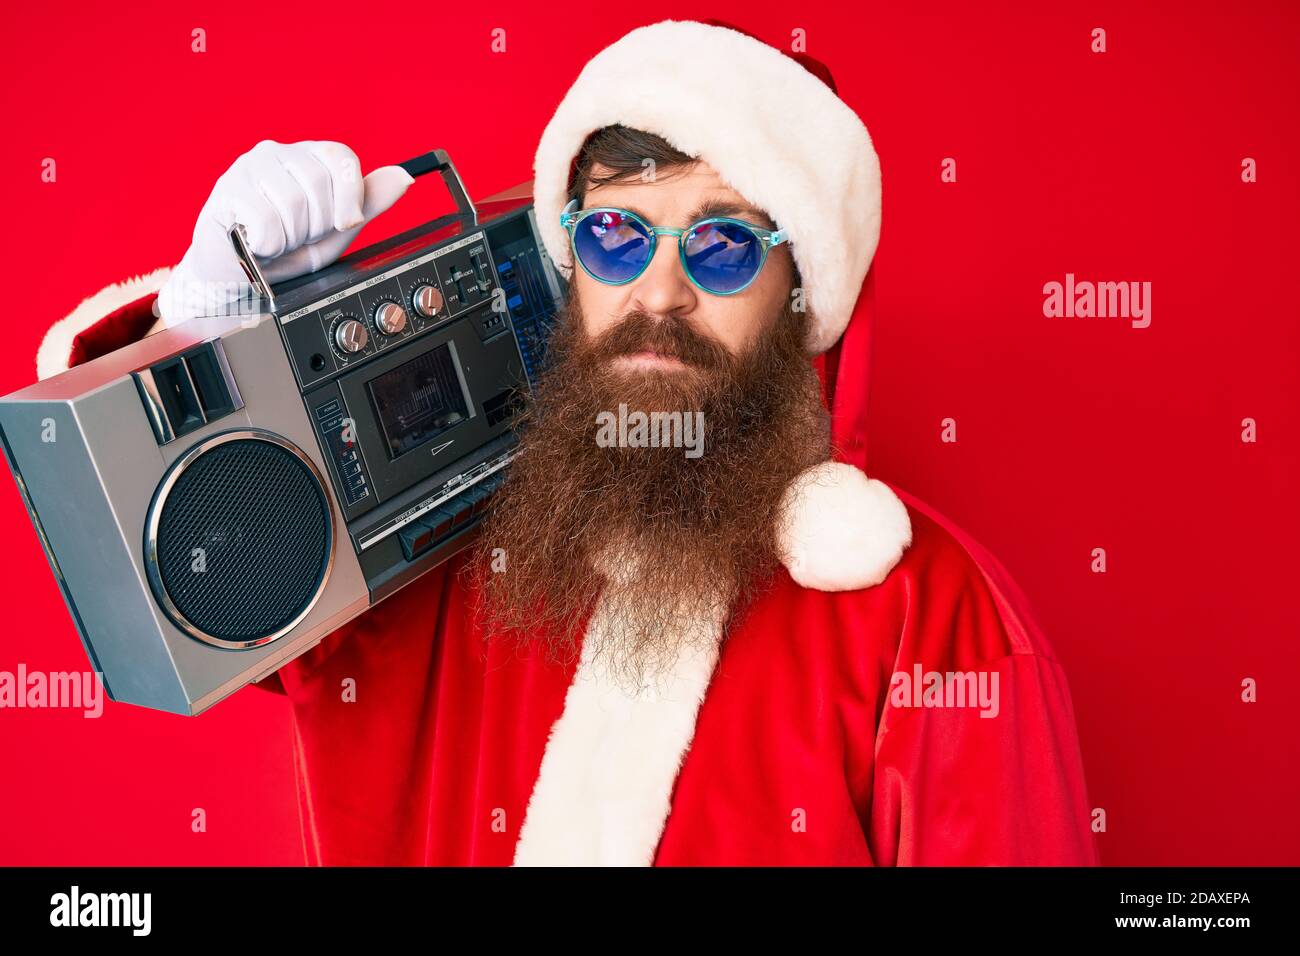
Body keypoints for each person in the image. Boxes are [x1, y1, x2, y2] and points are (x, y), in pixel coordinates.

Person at [35, 19, 1099, 866]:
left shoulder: (938, 627)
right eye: (616, 233)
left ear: (800, 290)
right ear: (570, 265)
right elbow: (186, 583)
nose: (659, 290)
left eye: (724, 242)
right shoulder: (425, 567)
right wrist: (211, 325)